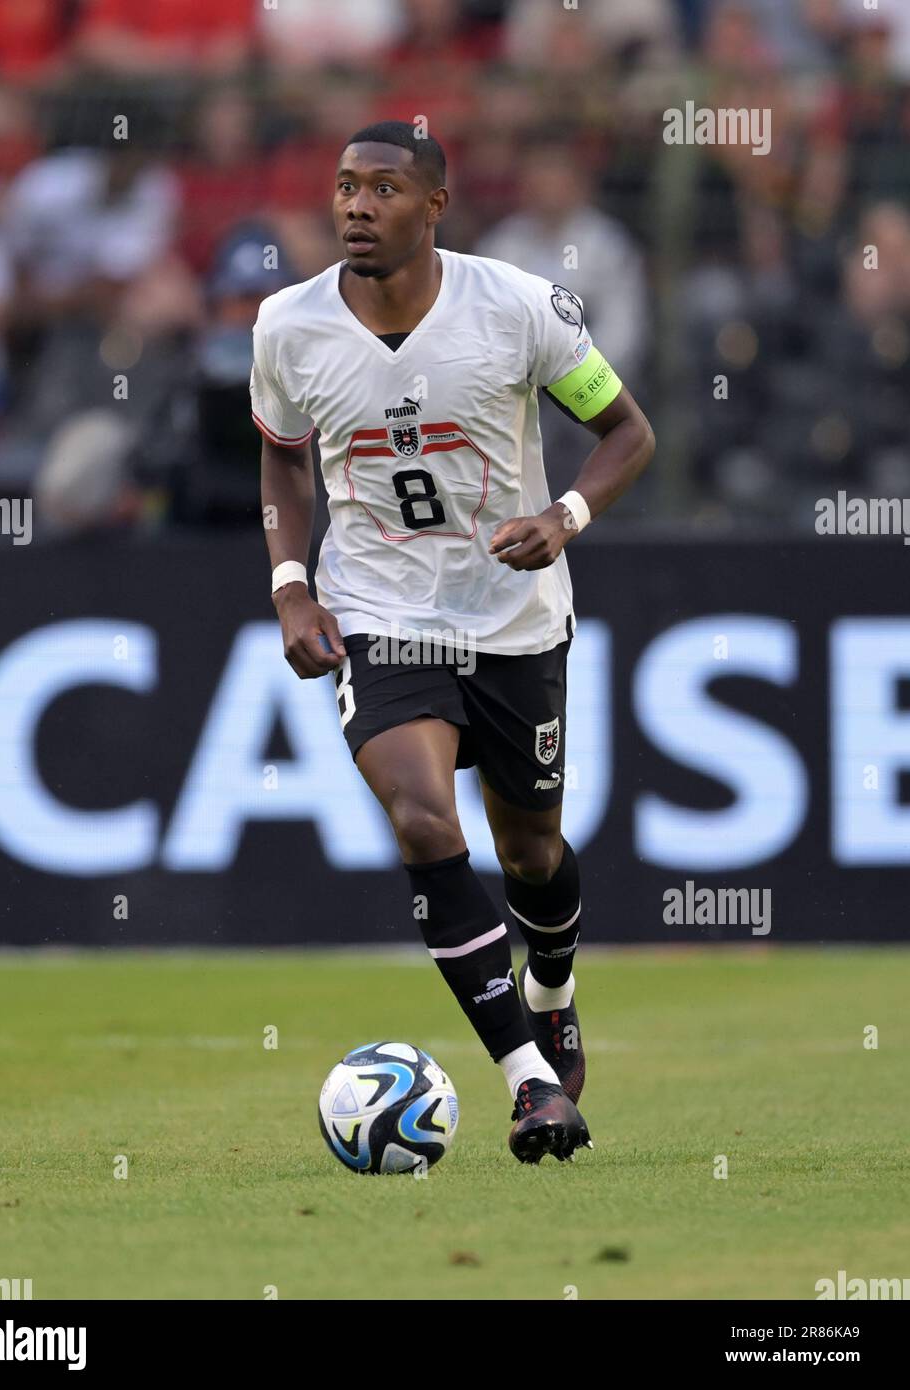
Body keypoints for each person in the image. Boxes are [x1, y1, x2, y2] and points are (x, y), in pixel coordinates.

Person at [254, 121, 654, 1164]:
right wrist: (294, 588)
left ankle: (553, 988)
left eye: (382, 188)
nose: (355, 205)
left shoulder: (517, 308)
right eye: (344, 186)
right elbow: (285, 464)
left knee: (531, 851)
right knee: (426, 820)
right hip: (381, 614)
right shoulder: (288, 327)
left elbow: (628, 433)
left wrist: (564, 516)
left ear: (435, 205)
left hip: (517, 619)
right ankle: (530, 1082)